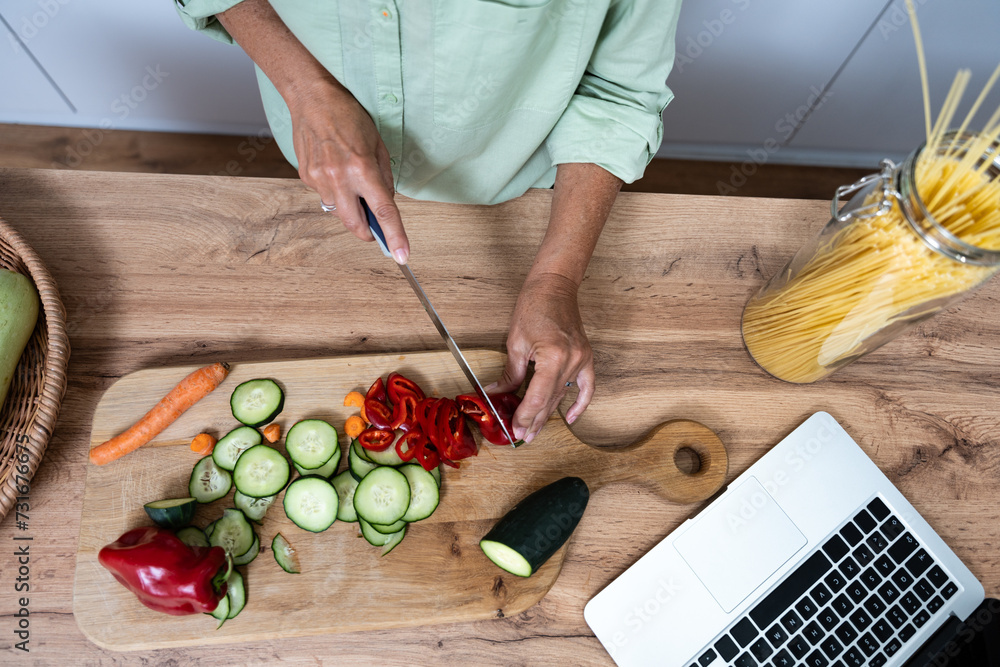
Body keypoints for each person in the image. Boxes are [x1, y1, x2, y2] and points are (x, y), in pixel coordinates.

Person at [175, 0, 682, 444]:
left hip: (515, 176)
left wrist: (557, 277)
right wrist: (307, 93)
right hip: (317, 157)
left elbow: (619, 90)